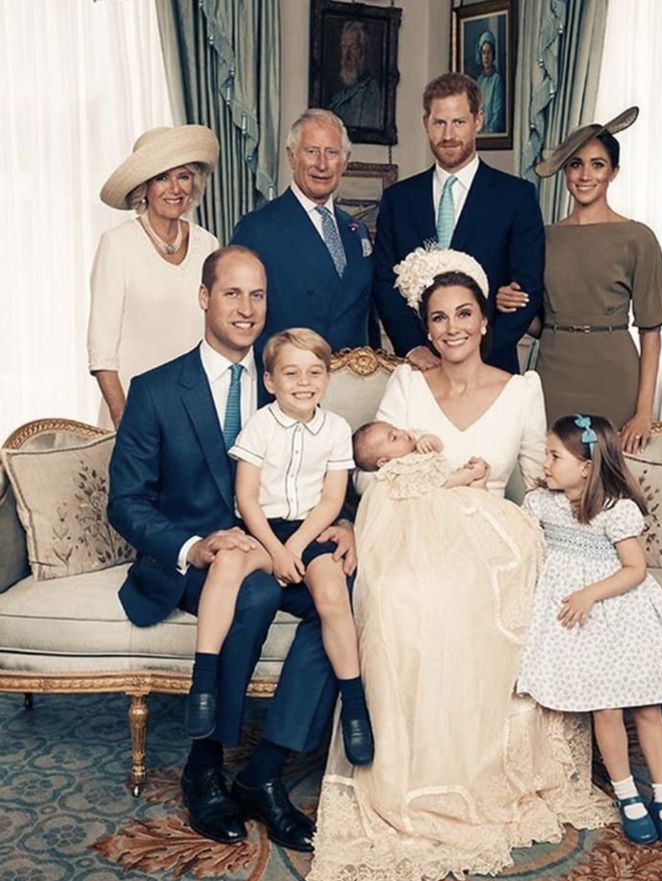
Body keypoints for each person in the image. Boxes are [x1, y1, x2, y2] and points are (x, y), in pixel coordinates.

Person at [308, 247, 615, 881]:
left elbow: (538, 481)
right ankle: (407, 773)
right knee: (401, 593)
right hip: (411, 523)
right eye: (439, 318)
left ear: (483, 322)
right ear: (427, 329)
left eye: (464, 314)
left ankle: (475, 768)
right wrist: (417, 485)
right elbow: (370, 473)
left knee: (466, 593)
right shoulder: (405, 383)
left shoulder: (522, 390)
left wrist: (580, 527)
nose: (452, 328)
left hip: (495, 537)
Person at [108, 245, 356, 853]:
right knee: (252, 591)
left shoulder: (288, 382)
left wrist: (345, 522)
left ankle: (264, 773)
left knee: (349, 593)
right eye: (232, 293)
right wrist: (193, 547)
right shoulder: (157, 390)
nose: (247, 309)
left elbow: (318, 473)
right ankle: (204, 763)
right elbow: (126, 501)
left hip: (281, 545)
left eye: (258, 295)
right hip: (203, 565)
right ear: (204, 297)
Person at [185, 327, 374, 767]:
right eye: (291, 373)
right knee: (228, 562)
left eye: (314, 372)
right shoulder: (260, 425)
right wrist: (274, 548)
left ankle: (355, 706)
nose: (304, 382)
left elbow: (331, 500)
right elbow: (247, 499)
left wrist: (298, 546)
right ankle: (204, 680)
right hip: (262, 529)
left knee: (332, 589)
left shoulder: (336, 428)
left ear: (327, 378)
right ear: (270, 381)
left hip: (308, 529)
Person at [516, 414, 662, 848]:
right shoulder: (540, 504)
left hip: (620, 615)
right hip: (580, 627)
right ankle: (626, 795)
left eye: (553, 455)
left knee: (646, 707)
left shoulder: (615, 510)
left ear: (586, 466)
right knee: (605, 708)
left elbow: (635, 569)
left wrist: (588, 594)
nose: (544, 463)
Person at [497, 107, 662, 452]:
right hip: (554, 372)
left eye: (597, 164)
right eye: (575, 164)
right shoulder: (542, 237)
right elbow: (540, 322)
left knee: (606, 480)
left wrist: (643, 411)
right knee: (553, 474)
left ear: (614, 172)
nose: (585, 175)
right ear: (564, 172)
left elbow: (651, 332)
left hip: (614, 375)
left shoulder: (638, 238)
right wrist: (508, 303)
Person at [372, 72, 544, 374]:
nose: (448, 135)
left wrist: (478, 355)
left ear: (478, 120)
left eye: (459, 122)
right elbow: (385, 284)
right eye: (439, 123)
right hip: (419, 369)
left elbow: (526, 290)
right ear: (426, 123)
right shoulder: (398, 199)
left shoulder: (516, 196)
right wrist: (414, 348)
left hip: (492, 368)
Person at [88, 124, 220, 428]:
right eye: (162, 177)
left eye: (183, 176)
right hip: (133, 412)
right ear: (143, 187)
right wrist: (125, 421)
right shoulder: (117, 245)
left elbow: (214, 336)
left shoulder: (208, 244)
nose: (175, 189)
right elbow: (101, 352)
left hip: (194, 412)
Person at [230, 109, 377, 363]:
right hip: (288, 384)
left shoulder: (356, 231)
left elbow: (367, 321)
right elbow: (239, 320)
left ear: (345, 160)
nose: (322, 164)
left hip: (354, 390)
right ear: (291, 156)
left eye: (332, 153)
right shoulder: (257, 229)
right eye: (311, 151)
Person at [352, 419, 490, 486]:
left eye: (396, 428)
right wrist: (469, 474)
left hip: (450, 479)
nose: (401, 432)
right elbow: (439, 484)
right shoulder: (399, 470)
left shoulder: (417, 441)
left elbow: (439, 446)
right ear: (384, 462)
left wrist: (430, 440)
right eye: (393, 438)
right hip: (438, 497)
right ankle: (472, 475)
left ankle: (473, 477)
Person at [327, 21, 382, 129]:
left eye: (354, 48)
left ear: (364, 53)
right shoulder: (339, 96)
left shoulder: (372, 93)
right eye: (344, 47)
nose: (347, 56)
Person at [476, 30, 503, 133]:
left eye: (488, 52)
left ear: (493, 55)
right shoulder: (479, 81)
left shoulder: (496, 79)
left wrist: (490, 130)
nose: (486, 57)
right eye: (483, 53)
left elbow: (498, 110)